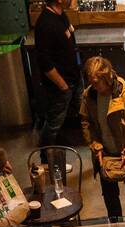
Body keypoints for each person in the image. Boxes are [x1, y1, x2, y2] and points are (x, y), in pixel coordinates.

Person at [80, 56, 125, 220]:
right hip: (105, 156)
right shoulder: (90, 96)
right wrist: (95, 145)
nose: (94, 86)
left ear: (107, 78)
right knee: (110, 198)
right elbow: (86, 121)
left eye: (96, 82)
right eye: (91, 82)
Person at [35, 0, 83, 147]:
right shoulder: (46, 24)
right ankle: (46, 159)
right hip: (62, 86)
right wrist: (63, 86)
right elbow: (45, 63)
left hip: (75, 78)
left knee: (85, 112)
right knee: (53, 125)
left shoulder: (61, 15)